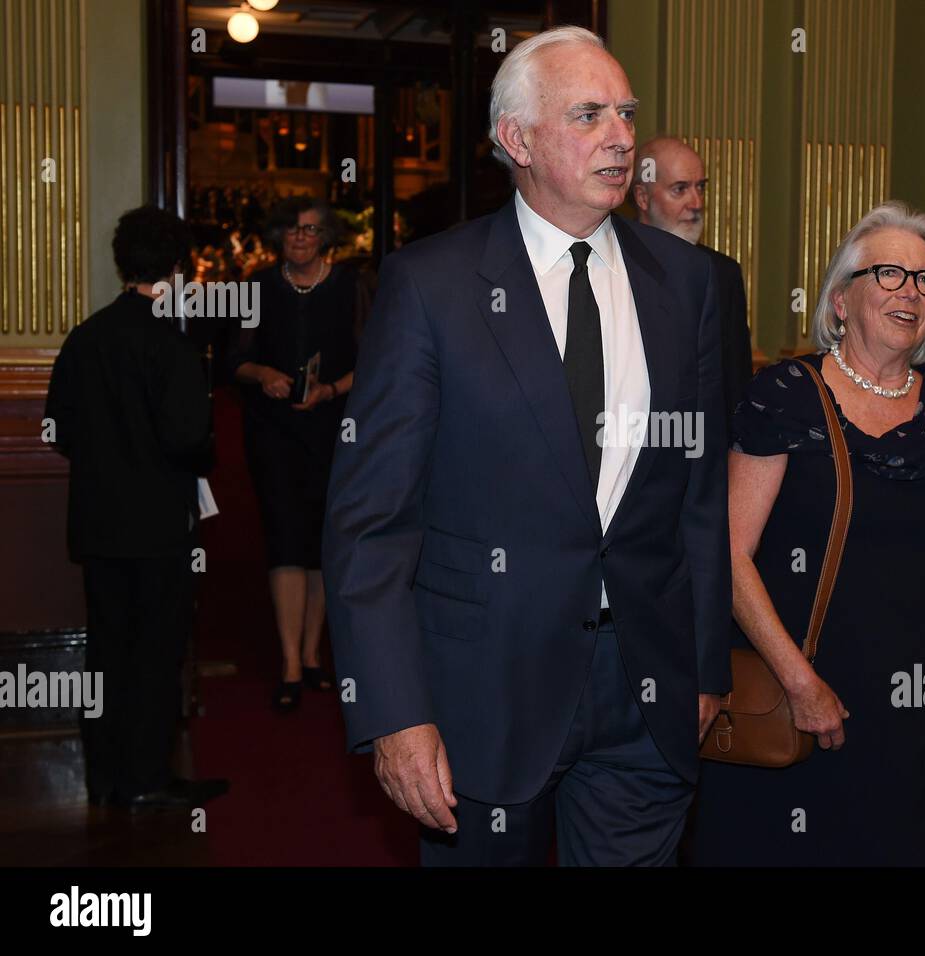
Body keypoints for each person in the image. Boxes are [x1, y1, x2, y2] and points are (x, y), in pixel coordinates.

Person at [322, 25, 730, 866]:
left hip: (646, 693)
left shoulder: (688, 286)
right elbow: (372, 522)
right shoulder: (431, 286)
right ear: (517, 140)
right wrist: (395, 710)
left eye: (625, 112)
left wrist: (704, 666)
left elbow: (696, 498)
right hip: (485, 691)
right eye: (589, 115)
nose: (622, 137)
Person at [690, 201, 925, 865]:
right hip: (795, 700)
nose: (910, 292)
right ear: (841, 299)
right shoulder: (784, 395)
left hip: (914, 710)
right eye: (889, 274)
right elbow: (728, 552)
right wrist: (801, 682)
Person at [44, 205, 228, 812]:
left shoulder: (84, 338)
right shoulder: (171, 345)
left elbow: (59, 430)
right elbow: (187, 440)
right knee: (154, 652)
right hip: (156, 527)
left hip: (97, 524)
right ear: (177, 268)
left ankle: (102, 774)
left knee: (106, 650)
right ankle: (147, 775)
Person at [229, 197, 367, 712]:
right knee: (285, 538)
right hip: (274, 431)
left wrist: (331, 391)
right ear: (278, 235)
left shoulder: (352, 287)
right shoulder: (256, 288)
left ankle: (313, 656)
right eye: (292, 229)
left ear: (325, 235)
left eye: (311, 229)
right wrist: (262, 375)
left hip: (334, 430)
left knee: (322, 542)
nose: (301, 237)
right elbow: (234, 361)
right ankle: (289, 661)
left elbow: (374, 360)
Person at [632, 136, 752, 417]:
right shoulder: (612, 266)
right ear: (642, 197)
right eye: (680, 189)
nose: (696, 202)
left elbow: (735, 386)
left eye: (700, 187)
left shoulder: (724, 274)